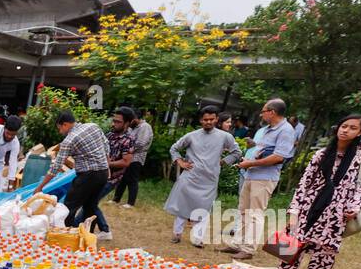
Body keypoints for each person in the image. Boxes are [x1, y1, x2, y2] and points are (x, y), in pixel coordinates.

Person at [276, 114, 361, 269]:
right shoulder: (321, 154)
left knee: (324, 256)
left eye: (353, 128)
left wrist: (355, 206)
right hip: (308, 208)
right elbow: (304, 183)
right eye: (344, 126)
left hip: (335, 214)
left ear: (360, 133)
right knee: (290, 250)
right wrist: (294, 212)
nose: (346, 131)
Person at [165, 105, 243, 247]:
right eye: (205, 119)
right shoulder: (191, 136)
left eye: (211, 119)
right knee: (183, 206)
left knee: (204, 209)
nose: (208, 122)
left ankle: (197, 239)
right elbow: (174, 148)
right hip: (190, 177)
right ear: (201, 120)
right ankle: (177, 234)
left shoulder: (225, 136)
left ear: (217, 119)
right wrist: (180, 162)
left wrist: (224, 161)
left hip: (210, 180)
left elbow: (237, 153)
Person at [228, 97, 295, 260]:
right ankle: (237, 244)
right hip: (250, 174)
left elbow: (279, 157)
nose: (261, 114)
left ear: (272, 112)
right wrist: (249, 158)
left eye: (263, 111)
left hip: (265, 177)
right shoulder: (264, 130)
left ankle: (248, 249)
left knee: (255, 213)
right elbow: (257, 151)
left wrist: (252, 162)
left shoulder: (286, 130)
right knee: (243, 210)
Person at [31, 111, 111, 231]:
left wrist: (40, 187)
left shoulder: (69, 140)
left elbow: (56, 167)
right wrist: (107, 166)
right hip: (103, 173)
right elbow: (106, 146)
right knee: (90, 205)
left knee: (68, 207)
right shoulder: (93, 126)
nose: (60, 132)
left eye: (59, 129)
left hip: (87, 176)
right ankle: (87, 234)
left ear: (65, 124)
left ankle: (65, 232)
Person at [85, 108, 135, 242]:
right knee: (90, 202)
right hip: (98, 174)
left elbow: (126, 162)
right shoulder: (110, 135)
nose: (114, 124)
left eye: (118, 122)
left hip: (111, 178)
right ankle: (90, 230)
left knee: (91, 202)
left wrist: (107, 164)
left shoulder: (128, 140)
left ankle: (105, 230)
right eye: (114, 121)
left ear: (127, 123)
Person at [112, 108, 152, 208]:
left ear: (137, 119)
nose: (130, 123)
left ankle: (130, 203)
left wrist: (128, 149)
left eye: (132, 120)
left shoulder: (145, 127)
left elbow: (141, 143)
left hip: (136, 157)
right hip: (127, 156)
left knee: (132, 179)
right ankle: (116, 199)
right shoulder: (131, 127)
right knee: (122, 179)